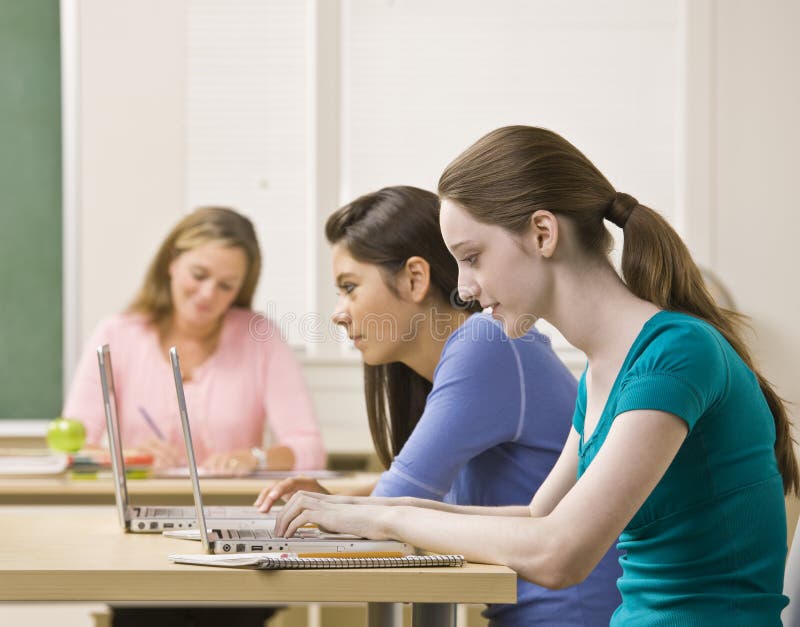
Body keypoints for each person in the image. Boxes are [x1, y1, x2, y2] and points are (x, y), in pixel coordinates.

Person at [272, 127, 799, 626]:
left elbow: (560, 555)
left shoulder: (676, 353)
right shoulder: (603, 372)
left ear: (543, 234)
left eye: (472, 257)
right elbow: (536, 517)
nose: (463, 287)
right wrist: (363, 508)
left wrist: (386, 519)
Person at [255, 186, 622, 625]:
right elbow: (413, 503)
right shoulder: (468, 356)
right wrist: (338, 502)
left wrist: (346, 508)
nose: (338, 313)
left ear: (415, 278)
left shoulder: (486, 343)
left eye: (350, 288)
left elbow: (393, 510)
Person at [63, 206, 326, 474]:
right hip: (140, 497)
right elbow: (70, 448)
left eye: (226, 285)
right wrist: (129, 458)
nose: (208, 294)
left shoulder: (261, 339)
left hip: (233, 499)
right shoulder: (116, 335)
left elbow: (310, 450)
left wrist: (254, 458)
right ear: (172, 262)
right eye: (199, 275)